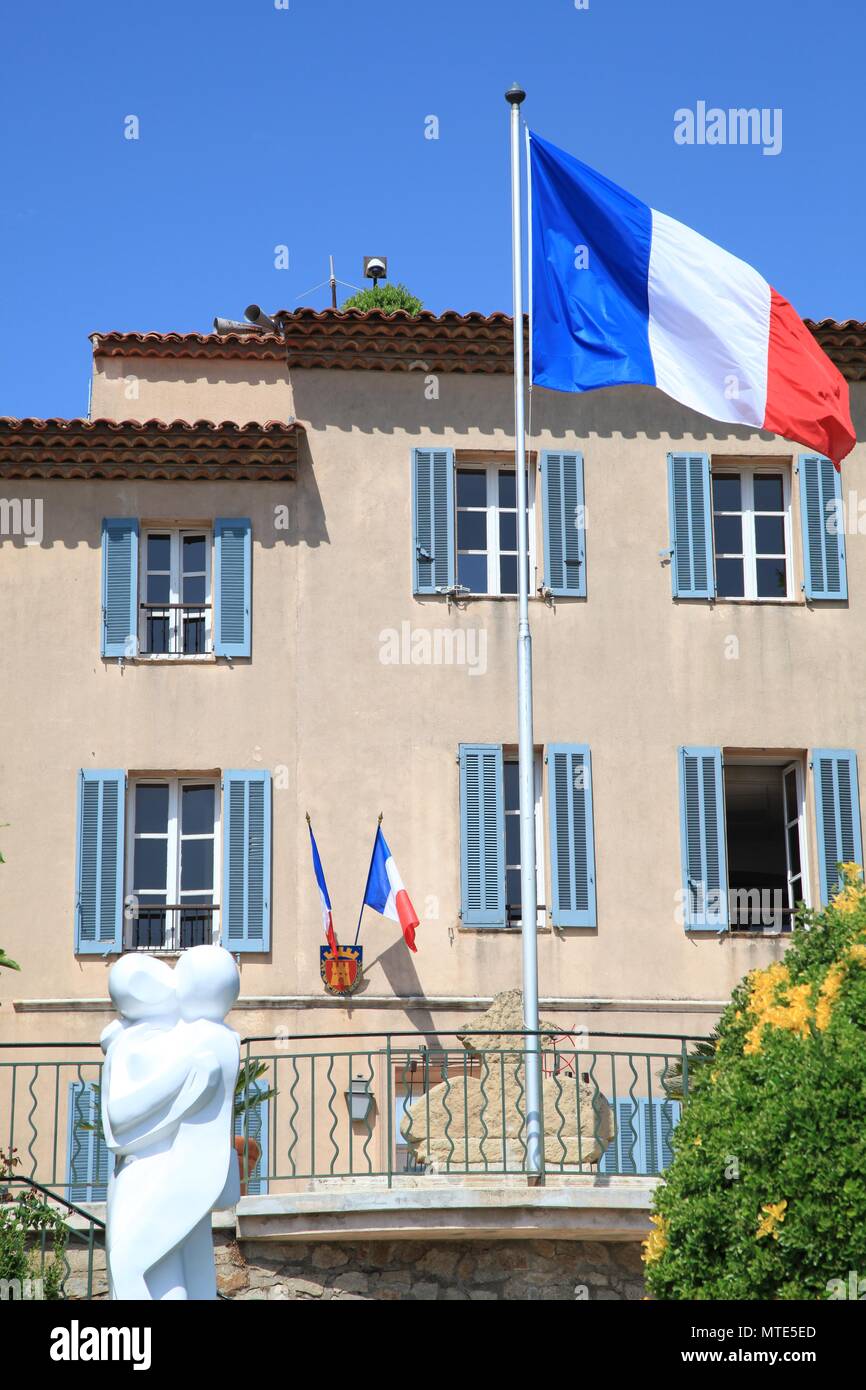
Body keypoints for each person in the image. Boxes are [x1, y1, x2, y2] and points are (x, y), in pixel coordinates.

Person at [101, 946, 241, 1300]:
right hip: (180, 1175)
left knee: (136, 1267)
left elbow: (118, 1124)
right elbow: (120, 1123)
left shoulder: (196, 1041)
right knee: (181, 1277)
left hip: (164, 1174)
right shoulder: (212, 1040)